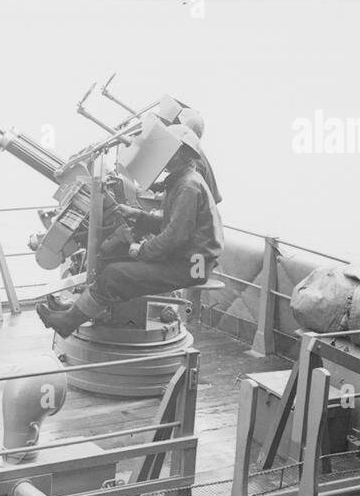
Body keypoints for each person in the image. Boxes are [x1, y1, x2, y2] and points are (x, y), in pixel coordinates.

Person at [38, 125, 223, 339]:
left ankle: (67, 323)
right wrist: (138, 215)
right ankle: (77, 310)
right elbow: (175, 222)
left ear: (180, 154)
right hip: (191, 260)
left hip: (194, 267)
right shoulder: (185, 180)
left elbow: (175, 235)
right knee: (111, 257)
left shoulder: (188, 186)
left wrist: (141, 250)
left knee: (115, 275)